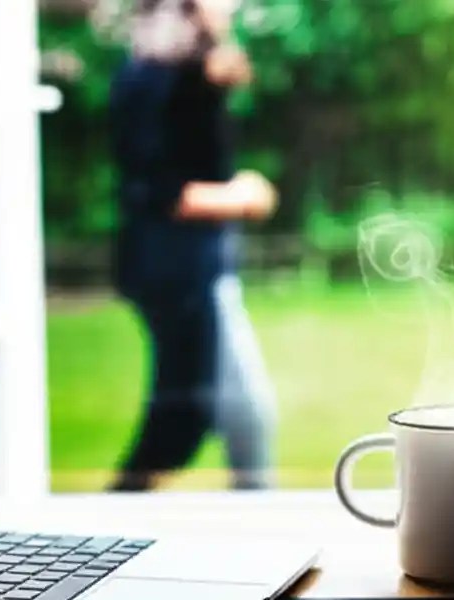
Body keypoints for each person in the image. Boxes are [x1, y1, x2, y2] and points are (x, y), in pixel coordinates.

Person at [108, 0, 278, 491]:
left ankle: (114, 515)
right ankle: (109, 519)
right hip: (179, 272)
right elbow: (157, 190)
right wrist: (241, 196)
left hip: (195, 269)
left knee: (220, 418)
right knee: (192, 421)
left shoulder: (186, 68)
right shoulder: (155, 74)